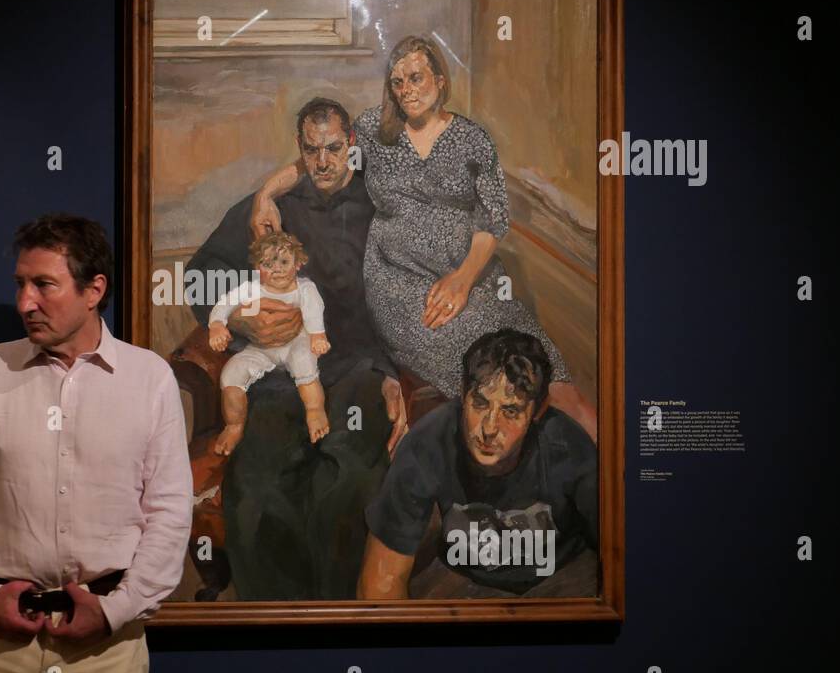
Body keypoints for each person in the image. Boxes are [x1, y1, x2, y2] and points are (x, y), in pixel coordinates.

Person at [250, 35, 597, 441]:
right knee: (494, 378)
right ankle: (518, 458)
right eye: (397, 83)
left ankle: (603, 476)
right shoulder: (374, 132)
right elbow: (313, 160)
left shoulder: (473, 139)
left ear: (441, 80)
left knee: (549, 374)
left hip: (472, 279)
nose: (407, 91)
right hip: (400, 285)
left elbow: (493, 219)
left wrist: (463, 280)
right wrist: (264, 195)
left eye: (416, 78)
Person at [0, 213, 192, 673]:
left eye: (43, 285)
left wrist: (115, 611)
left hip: (106, 646)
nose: (24, 302)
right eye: (20, 285)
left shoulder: (149, 379)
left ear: (93, 289)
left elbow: (169, 510)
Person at [184, 98, 409, 601]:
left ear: (351, 144)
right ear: (299, 151)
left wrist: (393, 372)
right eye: (312, 151)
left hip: (356, 368)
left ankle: (336, 617)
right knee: (259, 480)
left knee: (348, 475)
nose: (323, 163)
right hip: (277, 373)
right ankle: (272, 619)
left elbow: (403, 303)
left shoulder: (380, 205)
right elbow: (198, 277)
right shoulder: (269, 209)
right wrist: (240, 318)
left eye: (333, 148)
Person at [358, 329, 597, 599]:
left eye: (510, 411)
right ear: (462, 395)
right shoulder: (427, 442)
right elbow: (380, 582)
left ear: (537, 412)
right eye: (480, 403)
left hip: (561, 578)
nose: (490, 428)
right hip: (465, 580)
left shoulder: (570, 449)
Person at [208, 230, 330, 454]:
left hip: (296, 343)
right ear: (257, 268)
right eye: (268, 263)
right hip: (262, 348)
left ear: (298, 264)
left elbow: (314, 311)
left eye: (284, 261)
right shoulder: (251, 289)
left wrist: (317, 334)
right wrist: (217, 325)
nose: (277, 268)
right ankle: (234, 425)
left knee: (304, 361)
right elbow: (224, 304)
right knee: (231, 374)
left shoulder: (305, 289)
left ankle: (315, 411)